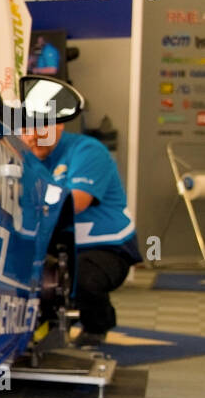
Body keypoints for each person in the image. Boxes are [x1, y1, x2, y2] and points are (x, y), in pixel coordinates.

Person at [20, 121, 141, 344]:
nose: (32, 136)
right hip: (54, 245)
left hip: (106, 247)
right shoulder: (23, 155)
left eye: (39, 128)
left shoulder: (87, 150)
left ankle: (97, 325)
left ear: (59, 125)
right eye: (25, 130)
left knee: (82, 278)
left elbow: (76, 202)